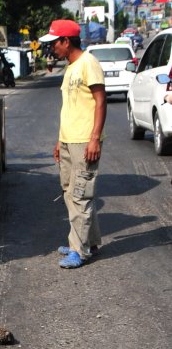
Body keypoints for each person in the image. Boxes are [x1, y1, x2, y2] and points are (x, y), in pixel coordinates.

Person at [39, 18, 107, 269]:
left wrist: (94, 139)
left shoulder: (89, 64)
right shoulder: (70, 68)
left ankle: (81, 250)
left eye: (54, 43)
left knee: (80, 195)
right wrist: (59, 141)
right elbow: (68, 108)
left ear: (66, 41)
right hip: (69, 141)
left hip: (83, 141)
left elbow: (101, 102)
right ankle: (89, 241)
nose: (52, 48)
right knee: (70, 193)